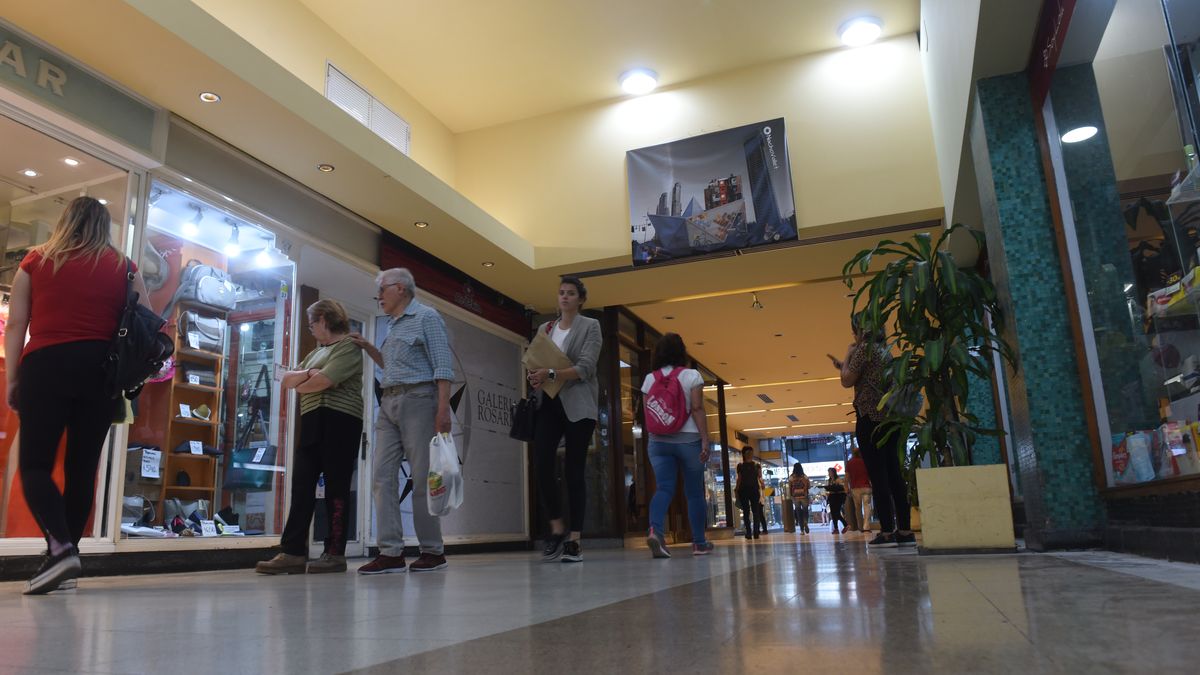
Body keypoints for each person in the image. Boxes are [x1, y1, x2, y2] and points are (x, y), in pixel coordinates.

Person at [6, 197, 152, 595]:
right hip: (101, 373)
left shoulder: (36, 261)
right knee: (82, 469)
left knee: (35, 465)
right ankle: (65, 558)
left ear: (65, 220)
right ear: (105, 227)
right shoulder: (124, 268)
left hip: (46, 366)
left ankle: (60, 549)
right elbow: (146, 322)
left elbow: (17, 323)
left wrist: (12, 379)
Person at [350, 268, 455, 573]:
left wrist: (443, 410)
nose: (379, 296)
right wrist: (370, 348)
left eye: (382, 290)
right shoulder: (393, 326)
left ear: (401, 289)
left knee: (422, 478)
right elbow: (394, 368)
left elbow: (443, 367)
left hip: (420, 401)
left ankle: (433, 551)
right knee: (382, 477)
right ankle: (391, 552)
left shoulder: (427, 318)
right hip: (389, 401)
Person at [257, 300, 363, 575]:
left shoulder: (349, 348)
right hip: (313, 419)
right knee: (302, 485)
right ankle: (292, 552)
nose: (311, 328)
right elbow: (288, 379)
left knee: (336, 488)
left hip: (341, 420)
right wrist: (307, 374)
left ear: (325, 319)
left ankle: (335, 553)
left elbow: (319, 383)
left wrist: (308, 380)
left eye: (312, 323)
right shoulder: (317, 353)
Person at [527, 276, 601, 562]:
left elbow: (586, 368)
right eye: (561, 293)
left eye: (571, 293)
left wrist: (551, 373)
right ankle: (557, 528)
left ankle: (575, 539)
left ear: (581, 299)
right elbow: (536, 363)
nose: (565, 297)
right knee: (542, 464)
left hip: (578, 405)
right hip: (548, 402)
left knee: (574, 471)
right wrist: (535, 375)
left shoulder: (591, 327)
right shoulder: (545, 328)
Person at [832, 315, 916, 548]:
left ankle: (887, 531)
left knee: (878, 476)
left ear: (858, 329)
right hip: (890, 420)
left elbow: (847, 381)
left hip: (870, 419)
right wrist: (845, 364)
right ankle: (905, 530)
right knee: (894, 474)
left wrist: (849, 353)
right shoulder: (883, 350)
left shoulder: (863, 350)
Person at [642, 333, 714, 558]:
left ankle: (656, 531)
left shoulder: (649, 379)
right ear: (681, 352)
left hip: (658, 441)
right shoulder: (691, 375)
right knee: (694, 492)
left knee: (664, 488)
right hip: (689, 439)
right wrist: (705, 438)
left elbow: (649, 413)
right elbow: (697, 408)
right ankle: (699, 543)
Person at [735, 447, 765, 539]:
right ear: (744, 454)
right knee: (746, 512)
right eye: (748, 452)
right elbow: (739, 479)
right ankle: (749, 531)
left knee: (755, 511)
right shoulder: (740, 466)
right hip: (743, 490)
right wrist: (736, 489)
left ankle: (755, 531)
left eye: (751, 452)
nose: (750, 454)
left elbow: (760, 476)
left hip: (754, 490)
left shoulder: (757, 465)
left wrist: (762, 483)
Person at [846, 445, 873, 533]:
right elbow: (870, 476)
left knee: (858, 508)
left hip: (855, 488)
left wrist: (846, 488)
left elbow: (847, 477)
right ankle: (866, 526)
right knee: (867, 506)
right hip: (866, 487)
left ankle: (860, 526)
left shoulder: (849, 463)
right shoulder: (866, 462)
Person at [824, 467, 848, 534]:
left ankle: (846, 525)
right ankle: (836, 528)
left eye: (830, 472)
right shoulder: (829, 480)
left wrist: (833, 488)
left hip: (838, 497)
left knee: (836, 513)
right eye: (828, 472)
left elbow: (842, 488)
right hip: (832, 497)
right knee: (833, 513)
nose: (829, 473)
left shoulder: (838, 480)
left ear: (833, 472)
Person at [789, 464, 811, 534]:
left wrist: (791, 496)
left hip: (796, 497)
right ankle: (805, 521)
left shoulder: (791, 477)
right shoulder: (805, 476)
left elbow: (789, 487)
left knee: (798, 513)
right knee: (805, 511)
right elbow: (809, 486)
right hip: (804, 496)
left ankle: (802, 530)